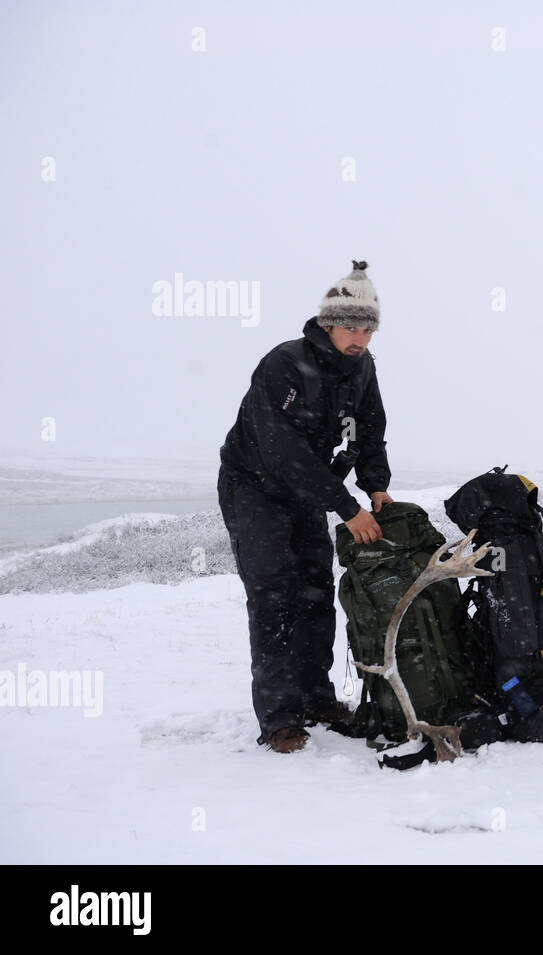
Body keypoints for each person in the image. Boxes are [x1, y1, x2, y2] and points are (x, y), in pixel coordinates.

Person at [217, 260, 394, 753]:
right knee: (274, 595)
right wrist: (345, 506)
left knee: (316, 591)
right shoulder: (285, 364)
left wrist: (376, 485)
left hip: (307, 492)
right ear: (327, 324)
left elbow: (369, 427)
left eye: (368, 328)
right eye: (350, 327)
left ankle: (317, 698)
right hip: (255, 486)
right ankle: (280, 718)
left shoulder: (363, 369)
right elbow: (282, 450)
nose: (359, 337)